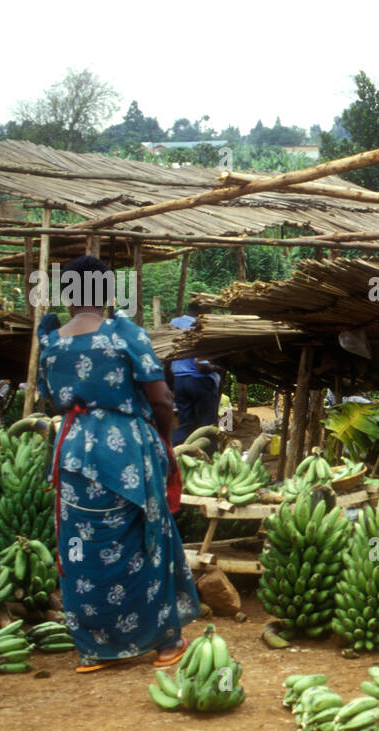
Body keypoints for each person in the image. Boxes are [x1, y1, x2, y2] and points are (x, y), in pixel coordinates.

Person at [36, 256, 197, 672]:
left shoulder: (51, 341)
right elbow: (161, 398)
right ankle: (165, 643)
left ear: (66, 295)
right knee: (147, 542)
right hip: (127, 449)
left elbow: (50, 398)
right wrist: (163, 439)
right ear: (108, 294)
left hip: (73, 451)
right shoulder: (124, 333)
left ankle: (96, 648)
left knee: (84, 550)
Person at [168, 305, 223, 445]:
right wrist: (218, 368)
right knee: (206, 427)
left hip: (179, 381)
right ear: (203, 310)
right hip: (199, 382)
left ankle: (177, 455)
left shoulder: (175, 323)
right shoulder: (200, 325)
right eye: (210, 311)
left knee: (185, 425)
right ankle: (207, 460)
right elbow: (202, 366)